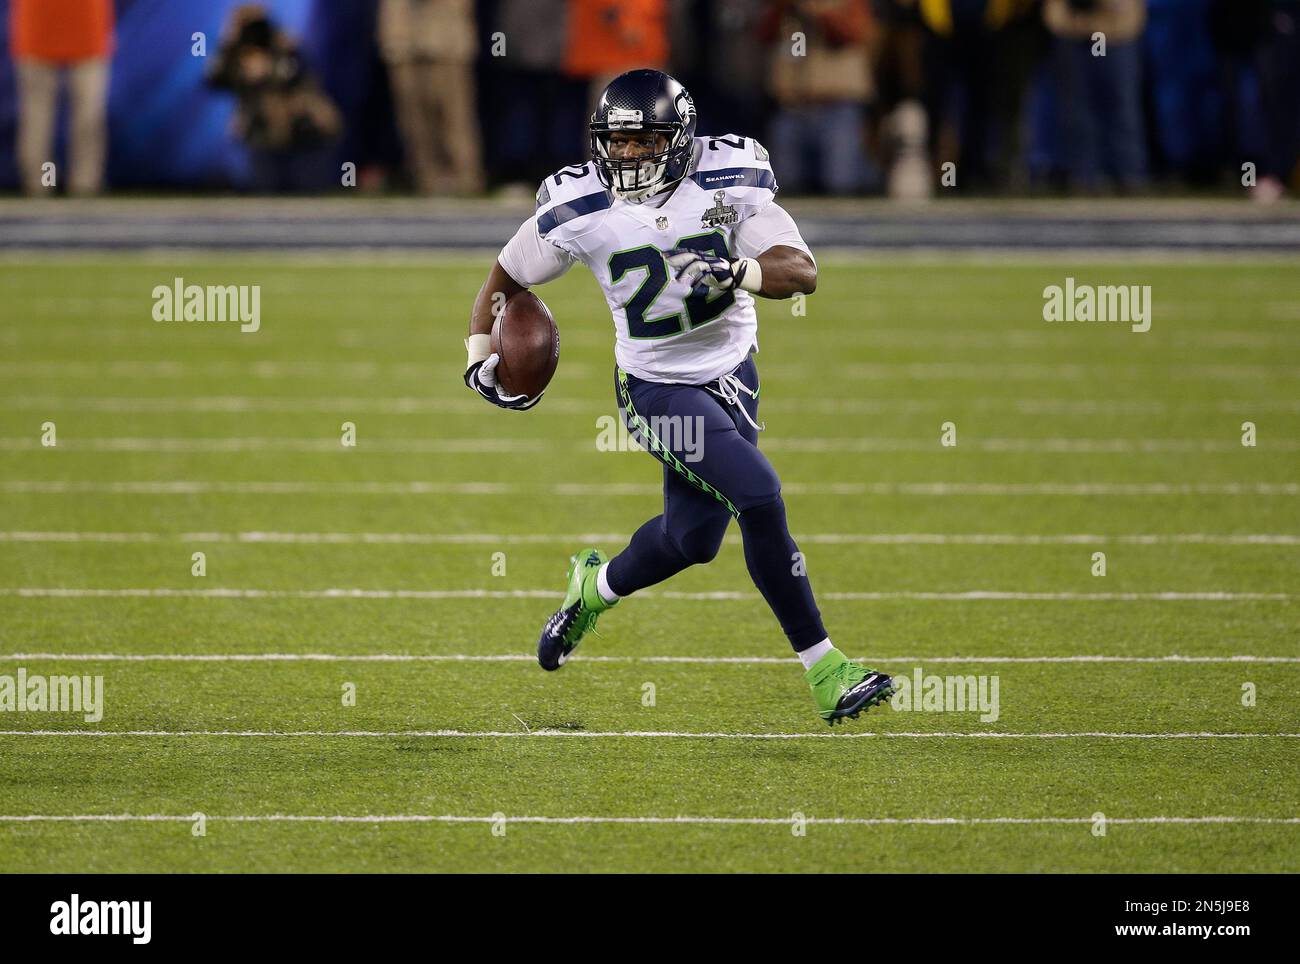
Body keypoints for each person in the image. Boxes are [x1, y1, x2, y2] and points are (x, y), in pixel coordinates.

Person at [461, 69, 896, 725]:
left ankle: (593, 589)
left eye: (644, 142)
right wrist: (479, 357)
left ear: (680, 139)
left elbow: (800, 271)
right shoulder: (578, 204)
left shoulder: (728, 179)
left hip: (734, 375)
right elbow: (505, 278)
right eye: (618, 143)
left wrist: (738, 270)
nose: (628, 155)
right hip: (655, 386)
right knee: (759, 494)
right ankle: (828, 672)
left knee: (691, 540)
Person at [10, 0, 114, 195]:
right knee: (38, 119)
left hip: (88, 30)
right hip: (37, 29)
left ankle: (85, 186)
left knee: (88, 116)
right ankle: (40, 185)